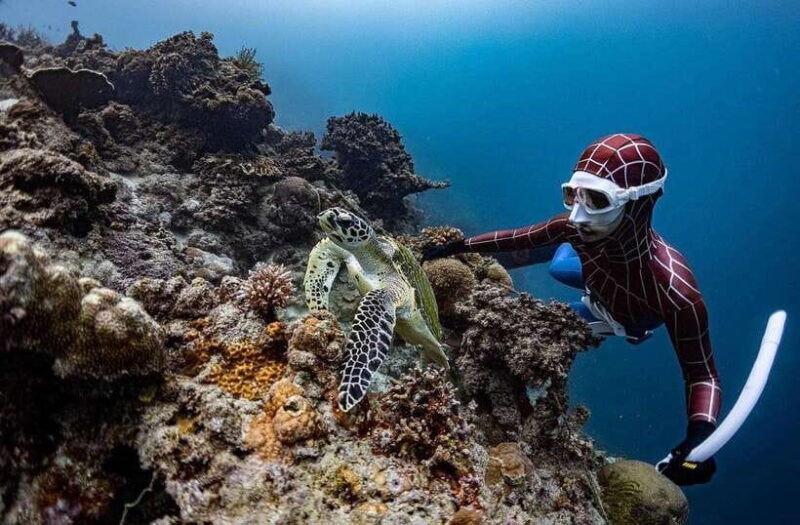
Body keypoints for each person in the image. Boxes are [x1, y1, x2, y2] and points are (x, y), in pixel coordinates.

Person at [424, 133, 720, 486]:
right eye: (572, 195)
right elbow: (516, 237)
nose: (577, 215)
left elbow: (702, 375)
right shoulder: (578, 227)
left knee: (539, 310)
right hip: (595, 280)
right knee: (558, 260)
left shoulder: (674, 289)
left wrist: (699, 436)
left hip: (617, 318)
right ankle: (559, 250)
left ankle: (562, 254)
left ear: (638, 203)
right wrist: (456, 247)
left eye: (596, 200)